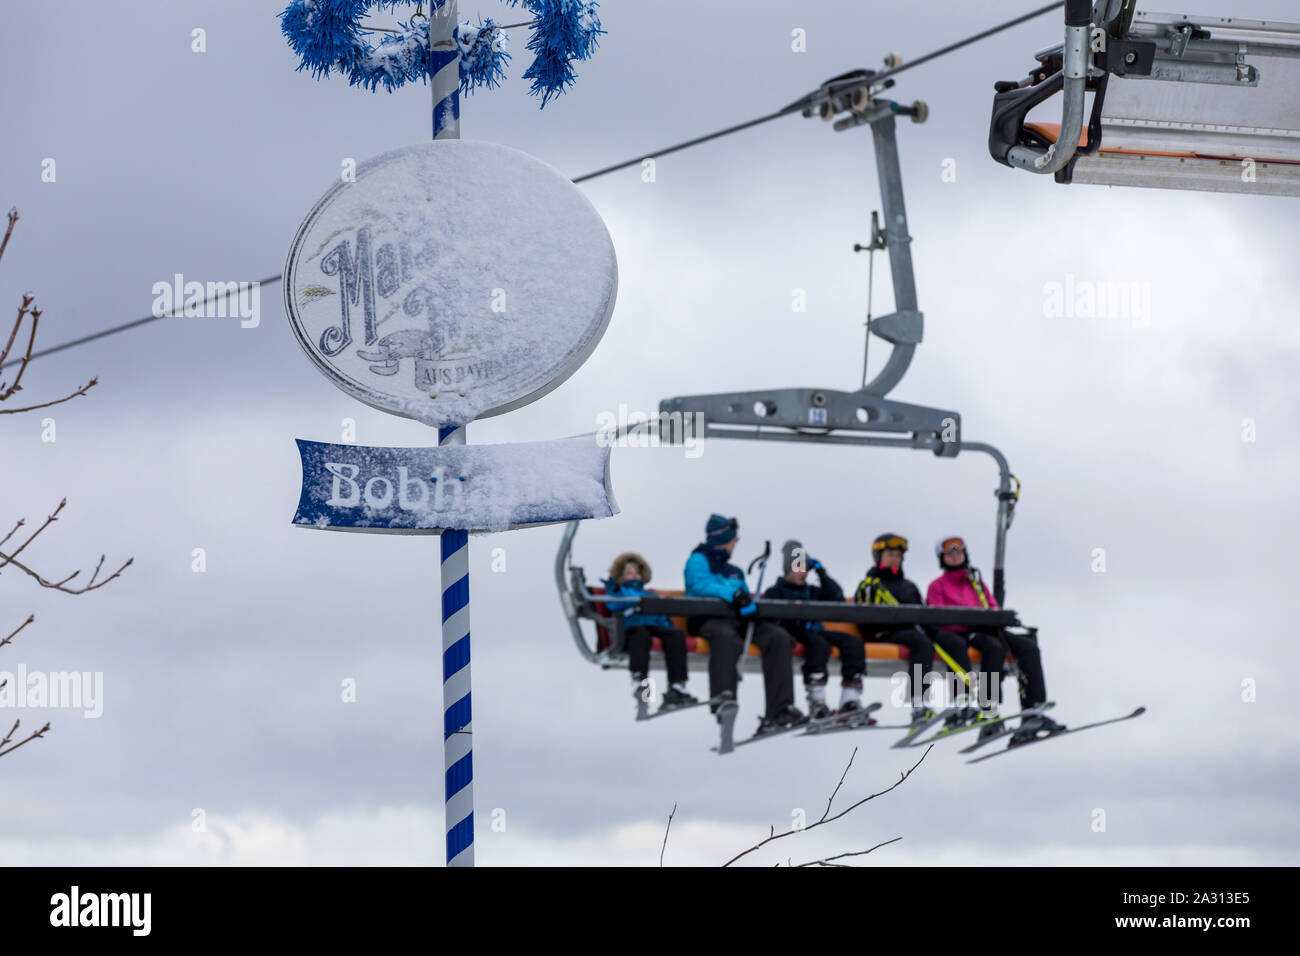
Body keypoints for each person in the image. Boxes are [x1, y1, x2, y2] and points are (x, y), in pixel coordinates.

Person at [926, 535, 1064, 742]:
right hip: (965, 632)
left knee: (1028, 648)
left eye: (959, 552)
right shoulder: (937, 587)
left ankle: (1034, 710)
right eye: (950, 554)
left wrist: (997, 617)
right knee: (993, 647)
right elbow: (937, 617)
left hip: (989, 628)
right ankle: (989, 708)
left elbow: (992, 606)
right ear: (942, 558)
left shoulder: (975, 582)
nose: (955, 557)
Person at [684, 514, 805, 732]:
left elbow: (742, 594)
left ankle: (779, 709)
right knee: (726, 639)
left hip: (737, 619)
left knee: (778, 637)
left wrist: (749, 603)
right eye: (734, 539)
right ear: (725, 537)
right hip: (709, 619)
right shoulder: (698, 560)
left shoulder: (735, 570)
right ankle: (724, 699)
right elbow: (701, 585)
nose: (735, 544)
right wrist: (734, 595)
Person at [853, 533, 975, 725]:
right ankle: (918, 702)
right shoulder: (870, 585)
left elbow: (922, 613)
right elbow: (863, 617)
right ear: (879, 558)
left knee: (953, 642)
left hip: (914, 631)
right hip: (885, 634)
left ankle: (963, 700)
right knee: (921, 643)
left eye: (898, 556)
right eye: (890, 555)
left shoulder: (908, 586)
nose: (895, 559)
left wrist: (936, 631)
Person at [762, 540, 866, 720]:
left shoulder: (813, 591)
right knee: (818, 644)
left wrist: (822, 574)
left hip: (815, 631)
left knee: (852, 643)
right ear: (788, 569)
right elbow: (771, 620)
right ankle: (817, 700)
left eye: (804, 568)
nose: (802, 572)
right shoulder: (775, 591)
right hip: (794, 634)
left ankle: (850, 698)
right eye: (797, 567)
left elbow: (836, 598)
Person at [602, 552, 698, 710]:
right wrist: (625, 594)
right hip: (634, 625)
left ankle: (677, 685)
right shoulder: (619, 592)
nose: (635, 576)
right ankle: (641, 682)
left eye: (637, 573)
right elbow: (613, 606)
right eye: (630, 573)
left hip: (653, 623)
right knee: (641, 636)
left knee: (675, 636)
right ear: (622, 576)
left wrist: (662, 610)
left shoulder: (650, 594)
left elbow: (661, 613)